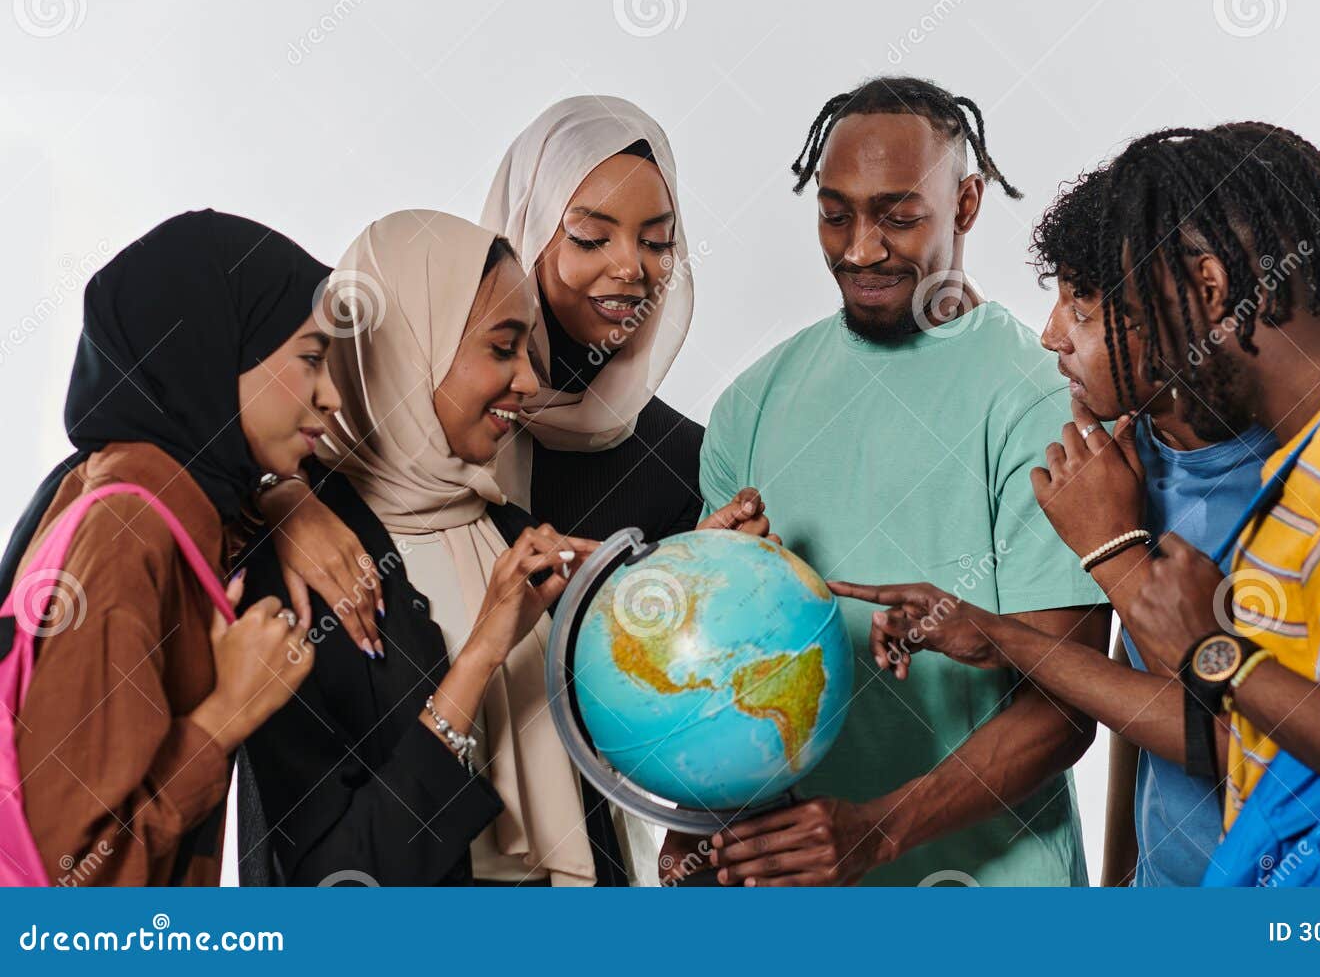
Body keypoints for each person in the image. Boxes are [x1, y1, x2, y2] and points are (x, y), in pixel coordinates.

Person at [834, 120, 1320, 858]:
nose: (1050, 334)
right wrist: (1003, 635)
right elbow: (1193, 732)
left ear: (1209, 290)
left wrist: (1209, 645)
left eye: (1082, 304)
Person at [688, 77, 1111, 887]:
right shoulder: (751, 403)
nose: (859, 249)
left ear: (968, 203)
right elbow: (713, 682)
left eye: (899, 216)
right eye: (835, 212)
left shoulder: (1041, 404)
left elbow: (1067, 705)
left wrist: (876, 834)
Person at [237, 211, 621, 886]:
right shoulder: (295, 569)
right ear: (406, 357)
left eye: (527, 349)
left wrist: (696, 587)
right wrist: (479, 656)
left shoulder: (508, 528)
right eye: (502, 348)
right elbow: (334, 885)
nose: (530, 381)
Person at [4, 210, 326, 885]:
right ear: (217, 349)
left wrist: (290, 501)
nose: (329, 395)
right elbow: (70, 889)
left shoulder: (129, 501)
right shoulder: (131, 538)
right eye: (311, 359)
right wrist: (225, 715)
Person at [1030, 166, 1277, 885]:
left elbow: (1246, 744)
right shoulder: (1132, 461)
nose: (1051, 334)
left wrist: (1112, 551)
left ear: (1188, 304)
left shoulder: (1297, 484)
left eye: (1080, 301)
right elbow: (1139, 714)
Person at [481, 95, 768, 544]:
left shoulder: (684, 462)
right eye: (591, 237)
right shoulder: (441, 417)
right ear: (525, 237)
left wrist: (702, 566)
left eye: (656, 242)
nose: (631, 267)